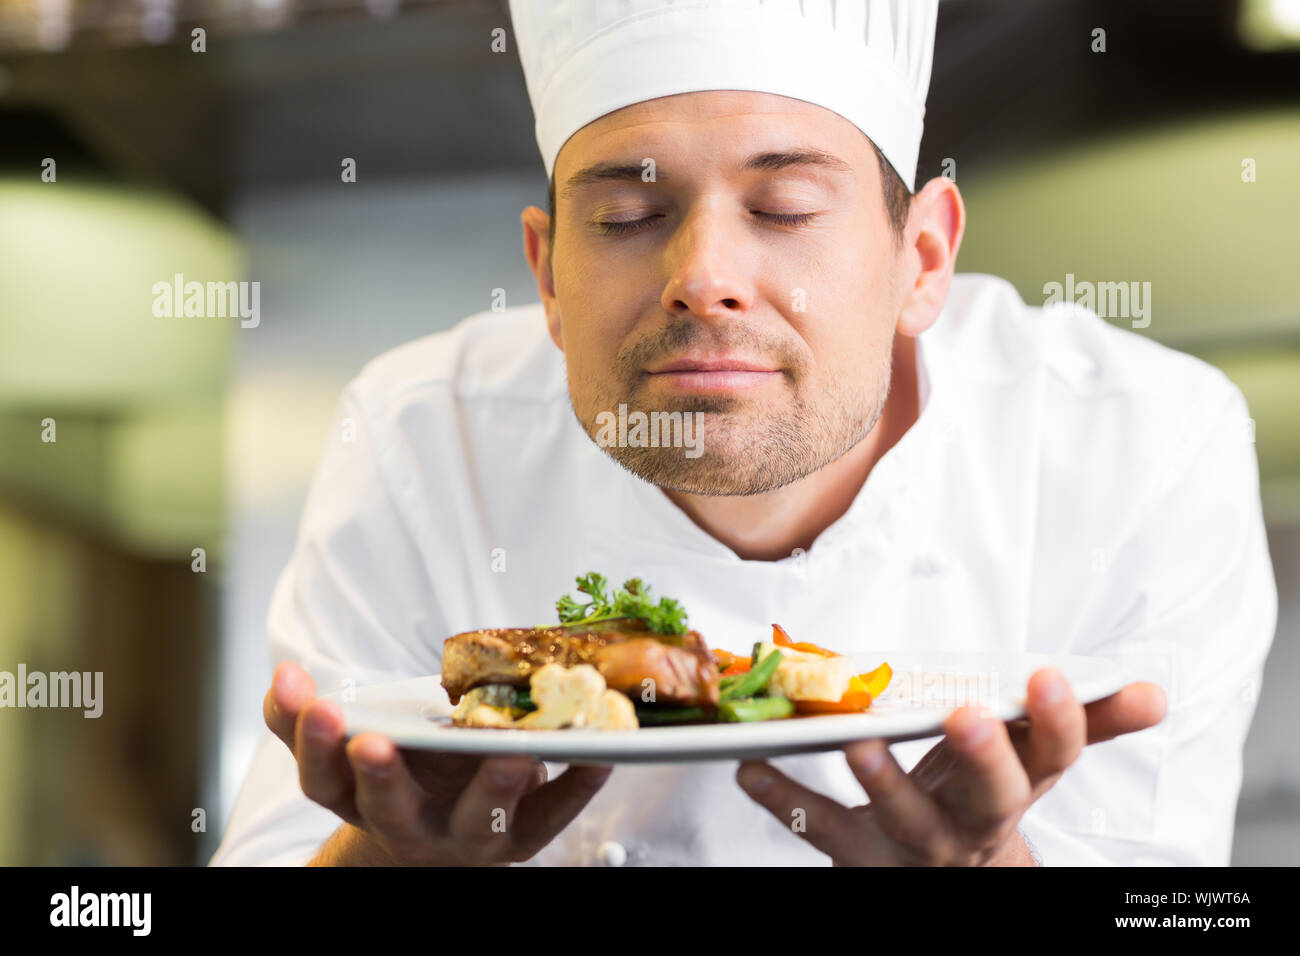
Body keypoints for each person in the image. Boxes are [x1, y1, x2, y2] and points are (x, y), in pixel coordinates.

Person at [210, 0, 1276, 866]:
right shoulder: (420, 440)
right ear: (544, 273)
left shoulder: (1142, 445)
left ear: (922, 260)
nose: (703, 278)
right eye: (627, 218)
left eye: (784, 208)